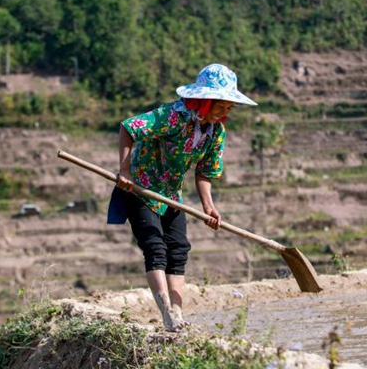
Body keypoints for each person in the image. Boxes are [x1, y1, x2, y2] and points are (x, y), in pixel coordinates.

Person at [108, 63, 257, 331]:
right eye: (221, 106)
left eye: (229, 107)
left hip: (171, 196)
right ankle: (166, 312)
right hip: (141, 189)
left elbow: (205, 173)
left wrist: (208, 207)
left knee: (178, 249)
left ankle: (177, 315)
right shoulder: (172, 117)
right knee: (155, 246)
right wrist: (125, 170)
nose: (226, 112)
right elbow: (129, 128)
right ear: (205, 101)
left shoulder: (216, 133)